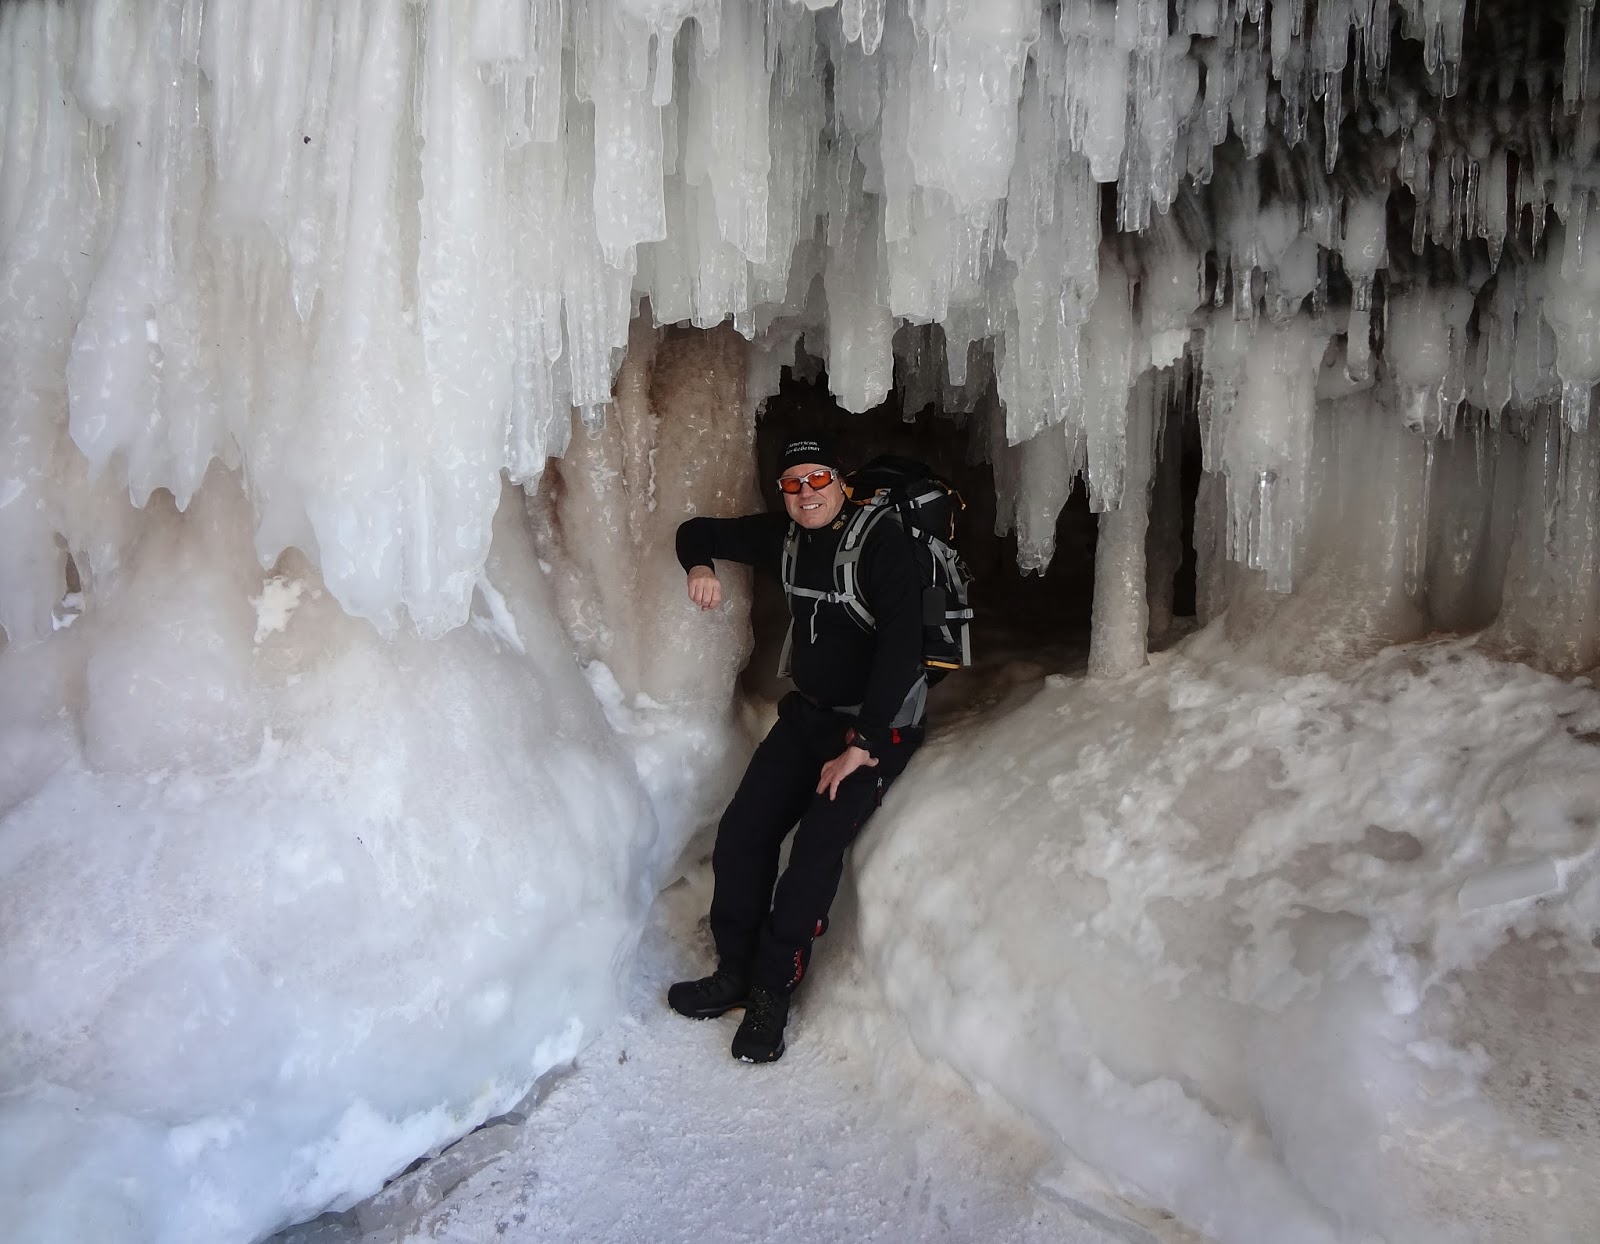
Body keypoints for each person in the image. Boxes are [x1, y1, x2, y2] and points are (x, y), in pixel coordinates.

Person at [668, 434, 928, 1063]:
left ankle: (770, 994)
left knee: (812, 854)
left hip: (874, 727)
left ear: (842, 482)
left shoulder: (884, 544)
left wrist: (863, 744)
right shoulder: (785, 536)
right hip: (808, 718)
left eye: (817, 478)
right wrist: (699, 568)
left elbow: (903, 648)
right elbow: (695, 531)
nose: (805, 492)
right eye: (792, 482)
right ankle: (735, 970)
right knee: (742, 834)